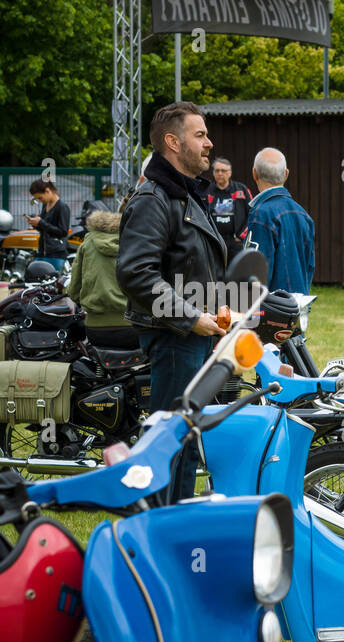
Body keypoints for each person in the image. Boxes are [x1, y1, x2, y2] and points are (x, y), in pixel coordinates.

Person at [116, 100, 226, 501]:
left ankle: (177, 520)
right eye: (199, 135)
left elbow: (196, 267)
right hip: (175, 338)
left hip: (193, 336)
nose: (209, 144)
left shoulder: (185, 195)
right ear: (172, 142)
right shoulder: (154, 199)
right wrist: (191, 317)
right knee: (169, 442)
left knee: (185, 439)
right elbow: (135, 274)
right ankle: (158, 526)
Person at [246, 147, 315, 295]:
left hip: (271, 311)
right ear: (286, 174)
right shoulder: (303, 215)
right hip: (297, 306)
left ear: (254, 174)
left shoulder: (261, 214)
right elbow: (309, 266)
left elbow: (256, 273)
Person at [66, 209, 135, 349]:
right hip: (132, 327)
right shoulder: (133, 242)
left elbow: (74, 291)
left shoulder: (87, 244)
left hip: (96, 328)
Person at [203, 156, 252, 261]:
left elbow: (253, 213)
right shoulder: (206, 191)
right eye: (217, 170)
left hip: (236, 243)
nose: (220, 173)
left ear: (230, 173)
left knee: (236, 274)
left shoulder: (241, 190)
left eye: (223, 170)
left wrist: (241, 236)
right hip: (215, 242)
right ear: (213, 173)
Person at [26, 179, 70, 271]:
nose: (39, 201)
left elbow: (63, 232)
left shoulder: (62, 207)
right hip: (42, 252)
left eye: (40, 198)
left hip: (56, 254)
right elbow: (45, 228)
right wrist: (36, 224)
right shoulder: (45, 205)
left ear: (47, 191)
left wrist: (41, 222)